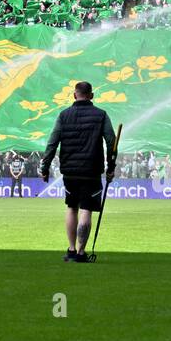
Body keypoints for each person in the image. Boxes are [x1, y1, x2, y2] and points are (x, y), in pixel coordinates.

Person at [40, 81, 117, 263]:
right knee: (86, 211)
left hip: (69, 172)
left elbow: (52, 143)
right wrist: (110, 168)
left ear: (75, 95)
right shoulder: (101, 115)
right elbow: (111, 142)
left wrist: (45, 168)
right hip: (91, 171)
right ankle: (81, 253)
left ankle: (72, 249)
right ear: (91, 96)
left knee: (71, 208)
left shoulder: (64, 115)